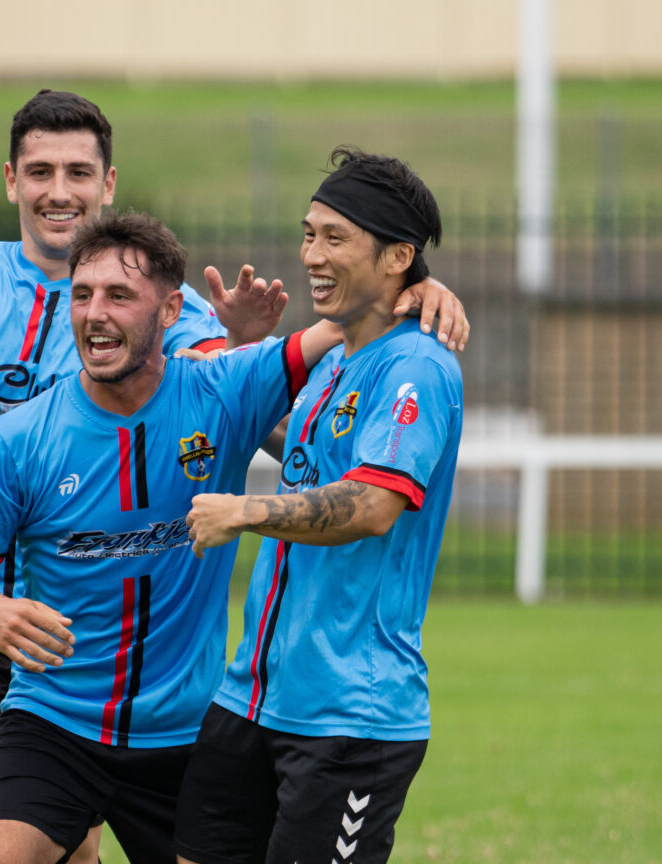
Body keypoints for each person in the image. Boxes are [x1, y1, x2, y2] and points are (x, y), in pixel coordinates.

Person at [0, 90, 469, 864]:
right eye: (38, 170)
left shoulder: (215, 335)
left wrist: (411, 295)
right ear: (9, 179)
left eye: (76, 171)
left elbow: (285, 409)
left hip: (201, 697)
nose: (57, 189)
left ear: (109, 183)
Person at [0, 210, 348, 864]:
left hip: (188, 735)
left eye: (120, 296)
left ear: (173, 308)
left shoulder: (223, 392)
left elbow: (343, 323)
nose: (95, 313)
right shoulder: (23, 438)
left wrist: (420, 285)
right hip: (53, 722)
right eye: (83, 294)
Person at [176, 146, 461, 864]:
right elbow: (309, 457)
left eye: (336, 238)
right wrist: (250, 374)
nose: (313, 254)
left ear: (398, 257)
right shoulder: (335, 361)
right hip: (251, 699)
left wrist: (245, 511)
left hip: (350, 718)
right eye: (309, 233)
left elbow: (370, 504)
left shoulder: (417, 366)